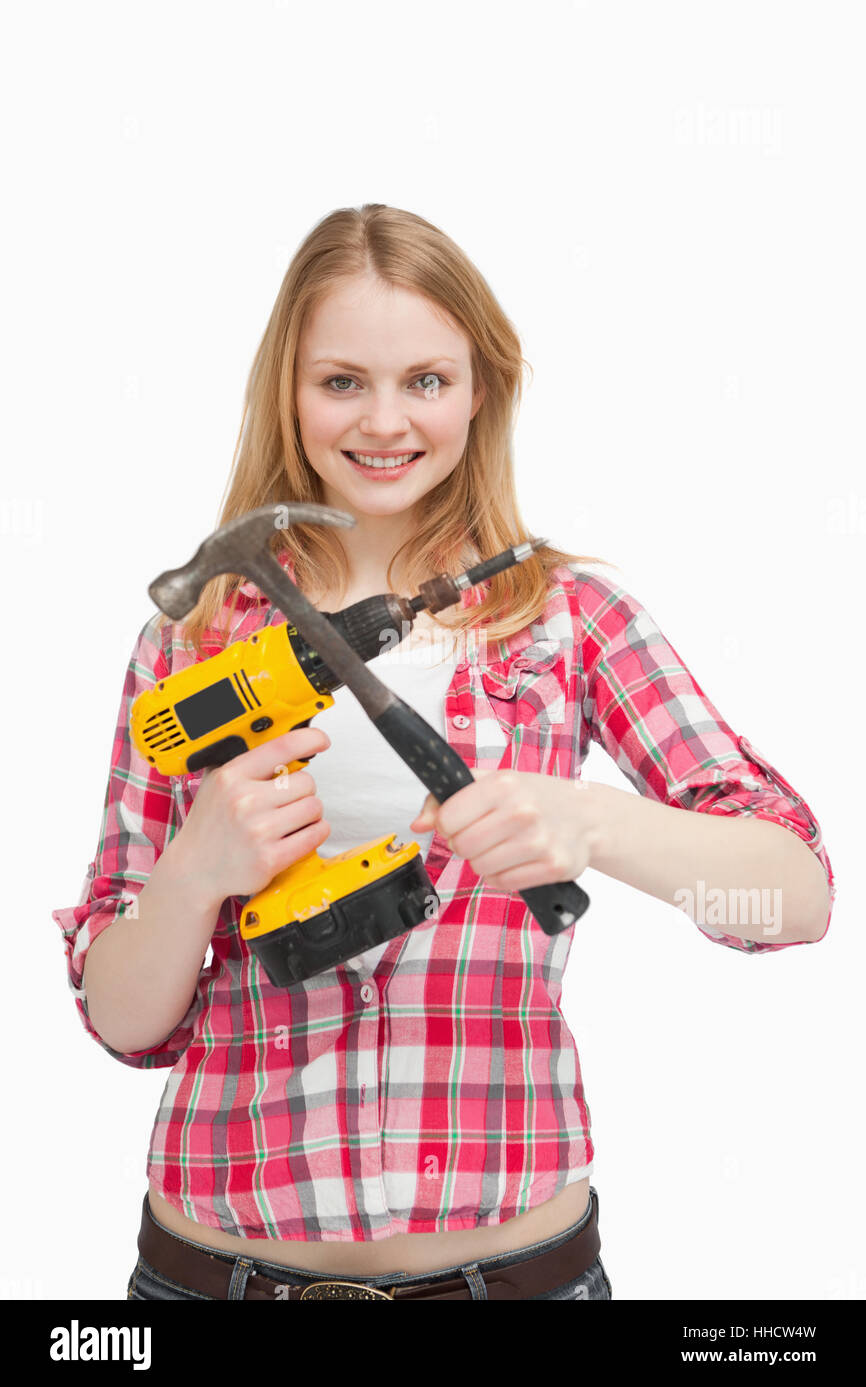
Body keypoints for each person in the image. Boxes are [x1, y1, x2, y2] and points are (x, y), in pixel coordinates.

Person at [52, 203, 835, 1302]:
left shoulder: (572, 619)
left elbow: (789, 903)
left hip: (515, 1278)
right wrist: (193, 875)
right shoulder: (192, 643)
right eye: (340, 382)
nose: (384, 420)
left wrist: (595, 823)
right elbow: (122, 1022)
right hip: (211, 1276)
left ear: (481, 389)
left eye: (425, 380)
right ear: (288, 389)